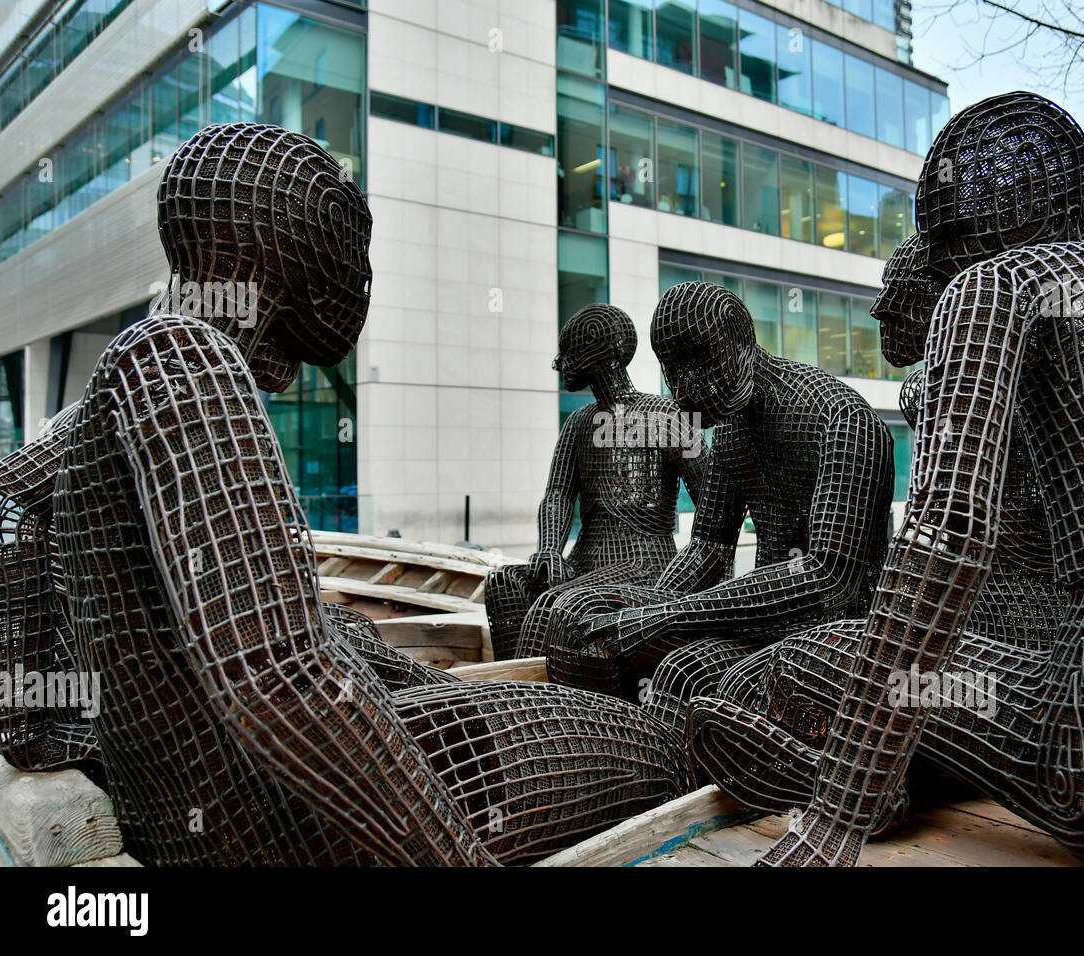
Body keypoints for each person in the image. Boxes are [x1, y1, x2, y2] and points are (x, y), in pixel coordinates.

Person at [34, 122, 692, 866]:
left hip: (201, 804)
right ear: (287, 256)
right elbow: (282, 676)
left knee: (356, 638)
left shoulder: (126, 369)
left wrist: (41, 720)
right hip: (272, 824)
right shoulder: (186, 359)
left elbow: (15, 505)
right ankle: (683, 741)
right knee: (643, 747)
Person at [762, 91, 1084, 867]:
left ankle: (880, 790)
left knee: (817, 660)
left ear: (962, 235)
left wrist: (835, 818)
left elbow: (944, 539)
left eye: (939, 242)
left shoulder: (997, 287)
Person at [686, 233, 1064, 819]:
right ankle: (869, 779)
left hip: (1014, 627)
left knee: (821, 666)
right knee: (751, 673)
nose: (881, 307)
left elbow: (890, 562)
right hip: (945, 621)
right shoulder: (934, 398)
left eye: (902, 293)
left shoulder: (890, 411)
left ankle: (870, 785)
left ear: (954, 300)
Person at [545, 281, 895, 728]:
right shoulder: (731, 432)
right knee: (588, 622)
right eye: (673, 372)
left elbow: (827, 578)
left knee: (684, 675)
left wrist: (669, 613)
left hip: (842, 628)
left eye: (697, 366)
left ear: (741, 342)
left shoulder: (843, 420)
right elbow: (709, 547)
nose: (682, 392)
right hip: (767, 623)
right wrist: (648, 607)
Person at [484, 303, 707, 660]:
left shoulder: (665, 415)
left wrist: (706, 567)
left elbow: (710, 493)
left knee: (553, 607)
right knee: (504, 584)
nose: (562, 362)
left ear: (602, 353)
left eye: (570, 351)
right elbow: (557, 493)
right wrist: (549, 550)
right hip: (584, 559)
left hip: (644, 561)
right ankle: (507, 682)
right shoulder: (578, 423)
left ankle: (532, 697)